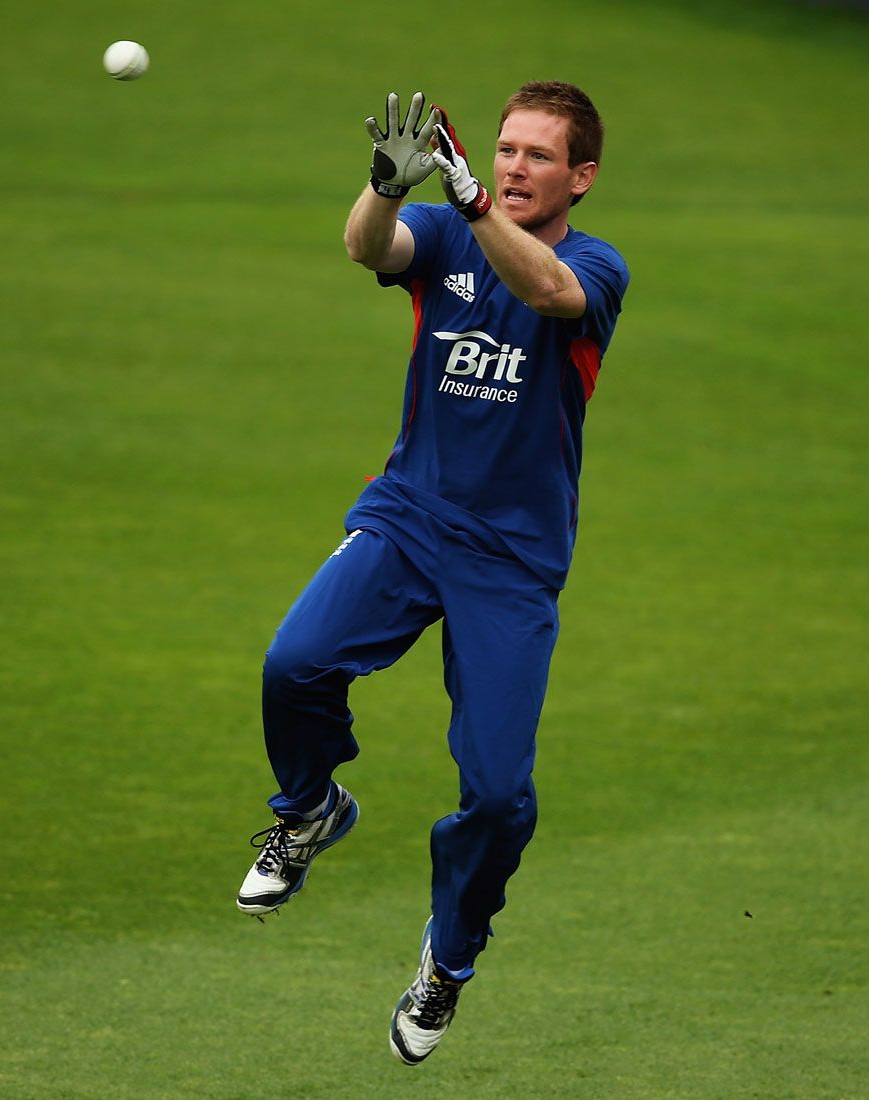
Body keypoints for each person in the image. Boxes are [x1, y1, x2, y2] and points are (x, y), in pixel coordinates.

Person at [237, 81, 630, 1065]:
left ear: (581, 176)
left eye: (539, 155)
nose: (515, 166)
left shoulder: (596, 266)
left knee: (496, 794)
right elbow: (368, 249)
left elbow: (546, 292)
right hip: (410, 516)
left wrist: (475, 204)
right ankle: (309, 809)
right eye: (505, 148)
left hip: (511, 561)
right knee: (294, 664)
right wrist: (384, 188)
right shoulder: (449, 232)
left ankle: (448, 959)